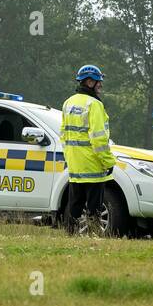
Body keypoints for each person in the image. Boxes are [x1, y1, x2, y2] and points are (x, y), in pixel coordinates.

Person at [60, 65, 113, 235]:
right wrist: (108, 161)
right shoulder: (94, 104)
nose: (101, 86)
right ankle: (93, 235)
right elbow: (98, 138)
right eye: (98, 82)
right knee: (94, 206)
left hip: (75, 165)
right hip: (92, 164)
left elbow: (63, 134)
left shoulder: (68, 102)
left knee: (75, 204)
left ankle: (70, 234)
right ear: (89, 82)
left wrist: (70, 158)